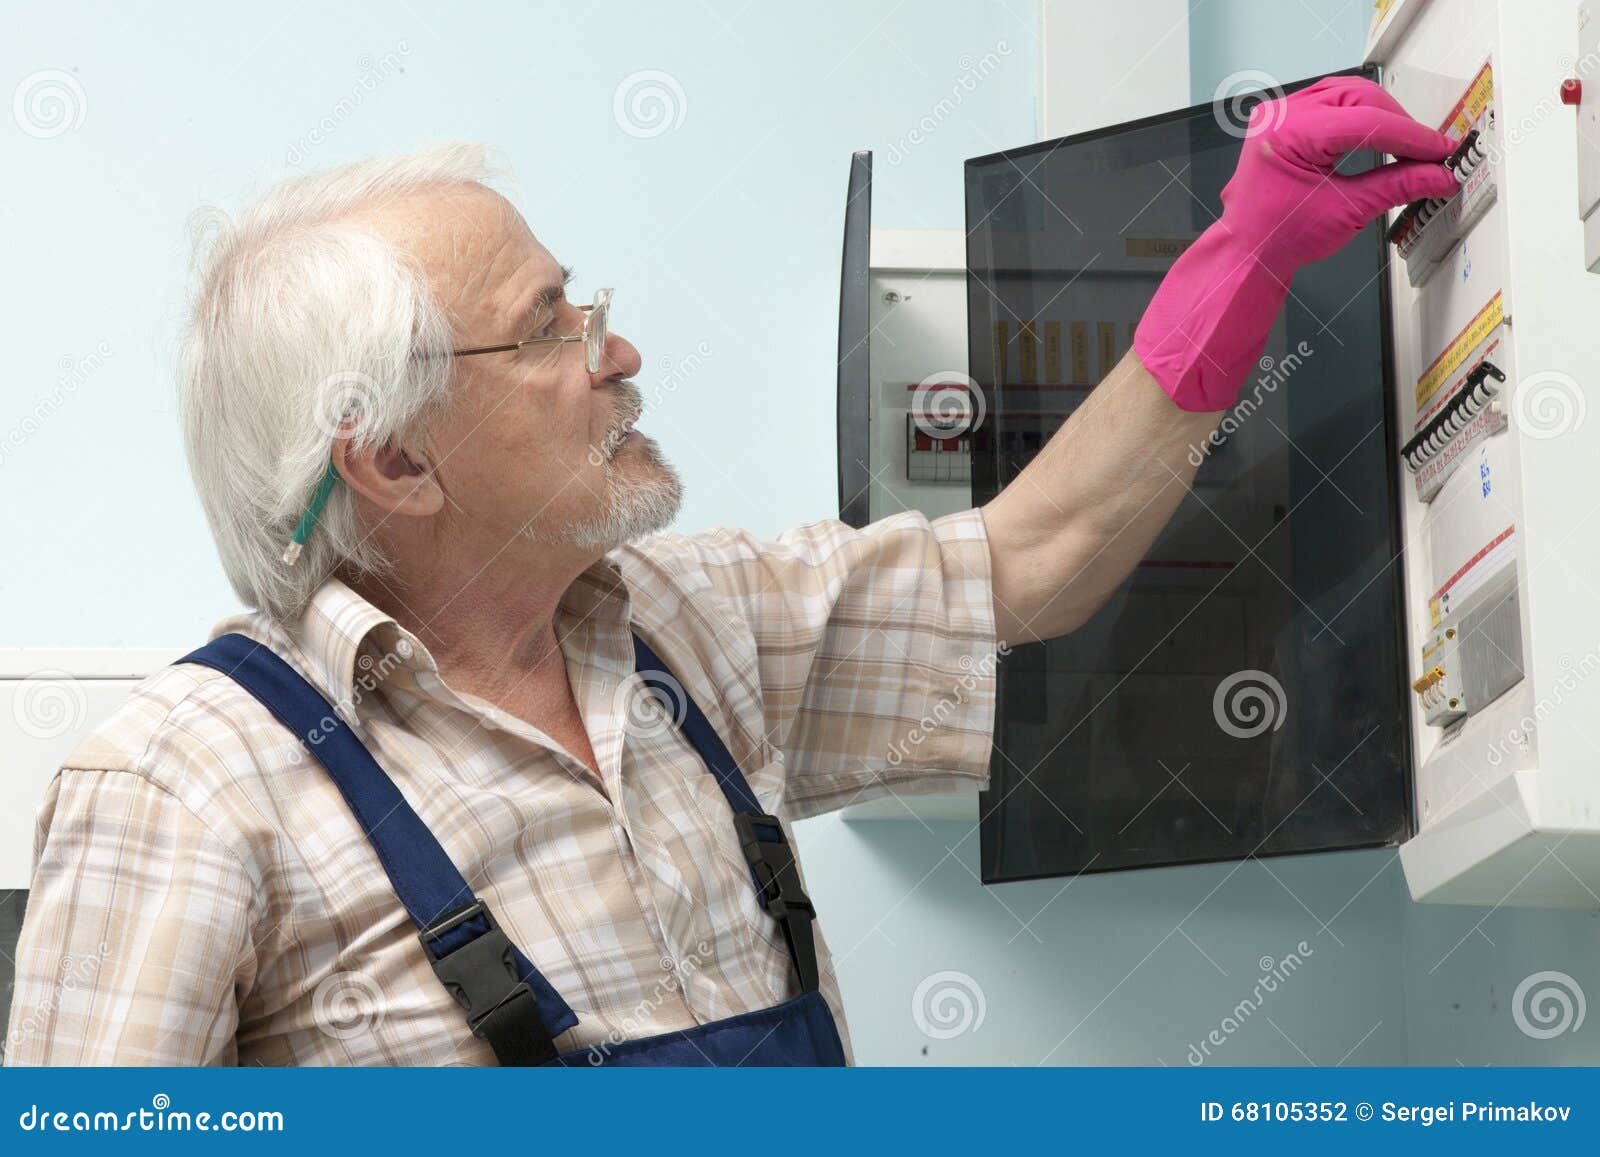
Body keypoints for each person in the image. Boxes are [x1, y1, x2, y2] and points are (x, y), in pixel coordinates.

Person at [5, 77, 1457, 1065]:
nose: (617, 353)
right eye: (551, 326)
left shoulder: (696, 629)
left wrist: (1245, 256)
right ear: (394, 462)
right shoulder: (185, 788)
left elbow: (1039, 554)